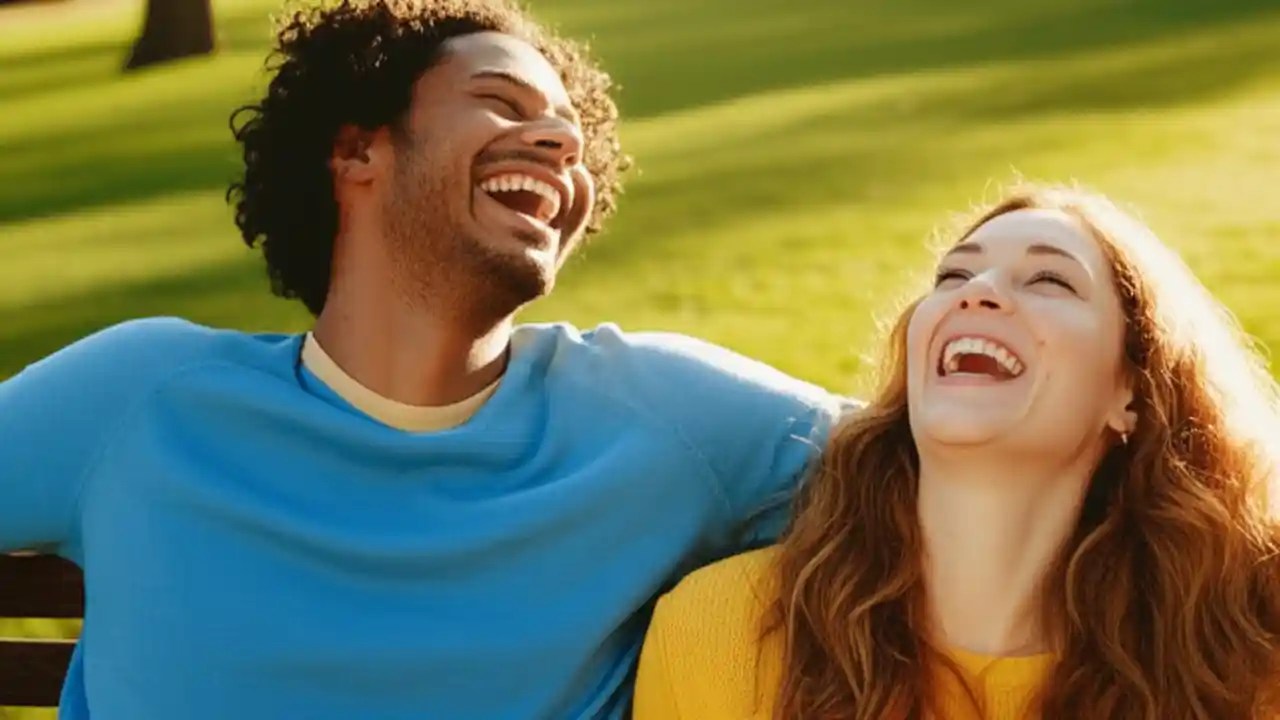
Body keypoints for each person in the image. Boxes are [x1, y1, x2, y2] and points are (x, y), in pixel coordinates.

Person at [0, 1, 845, 718]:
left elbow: (926, 455)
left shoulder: (671, 419)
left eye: (573, 135)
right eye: (502, 102)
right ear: (356, 152)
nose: (559, 141)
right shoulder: (138, 398)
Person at [634, 184, 1280, 720]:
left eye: (1051, 280)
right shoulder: (726, 629)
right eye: (955, 274)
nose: (978, 290)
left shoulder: (1244, 654)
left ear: (1132, 393)